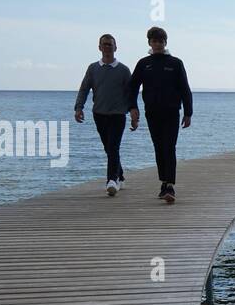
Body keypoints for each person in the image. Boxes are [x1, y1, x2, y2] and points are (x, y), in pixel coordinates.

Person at [128, 26, 192, 204]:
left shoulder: (175, 63)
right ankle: (163, 182)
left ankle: (170, 185)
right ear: (149, 42)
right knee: (159, 147)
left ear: (165, 42)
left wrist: (188, 113)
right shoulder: (143, 64)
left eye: (160, 41)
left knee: (169, 147)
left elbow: (185, 89)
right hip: (152, 112)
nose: (157, 44)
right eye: (154, 41)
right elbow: (132, 87)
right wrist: (133, 108)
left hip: (171, 111)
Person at [73, 34, 133, 197]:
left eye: (110, 45)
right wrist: (79, 107)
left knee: (113, 146)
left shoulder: (123, 70)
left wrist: (133, 112)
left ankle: (111, 181)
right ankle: (119, 175)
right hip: (99, 114)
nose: (107, 47)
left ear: (115, 47)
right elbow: (84, 88)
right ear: (99, 47)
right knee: (109, 148)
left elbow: (130, 93)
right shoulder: (93, 68)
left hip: (118, 115)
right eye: (104, 45)